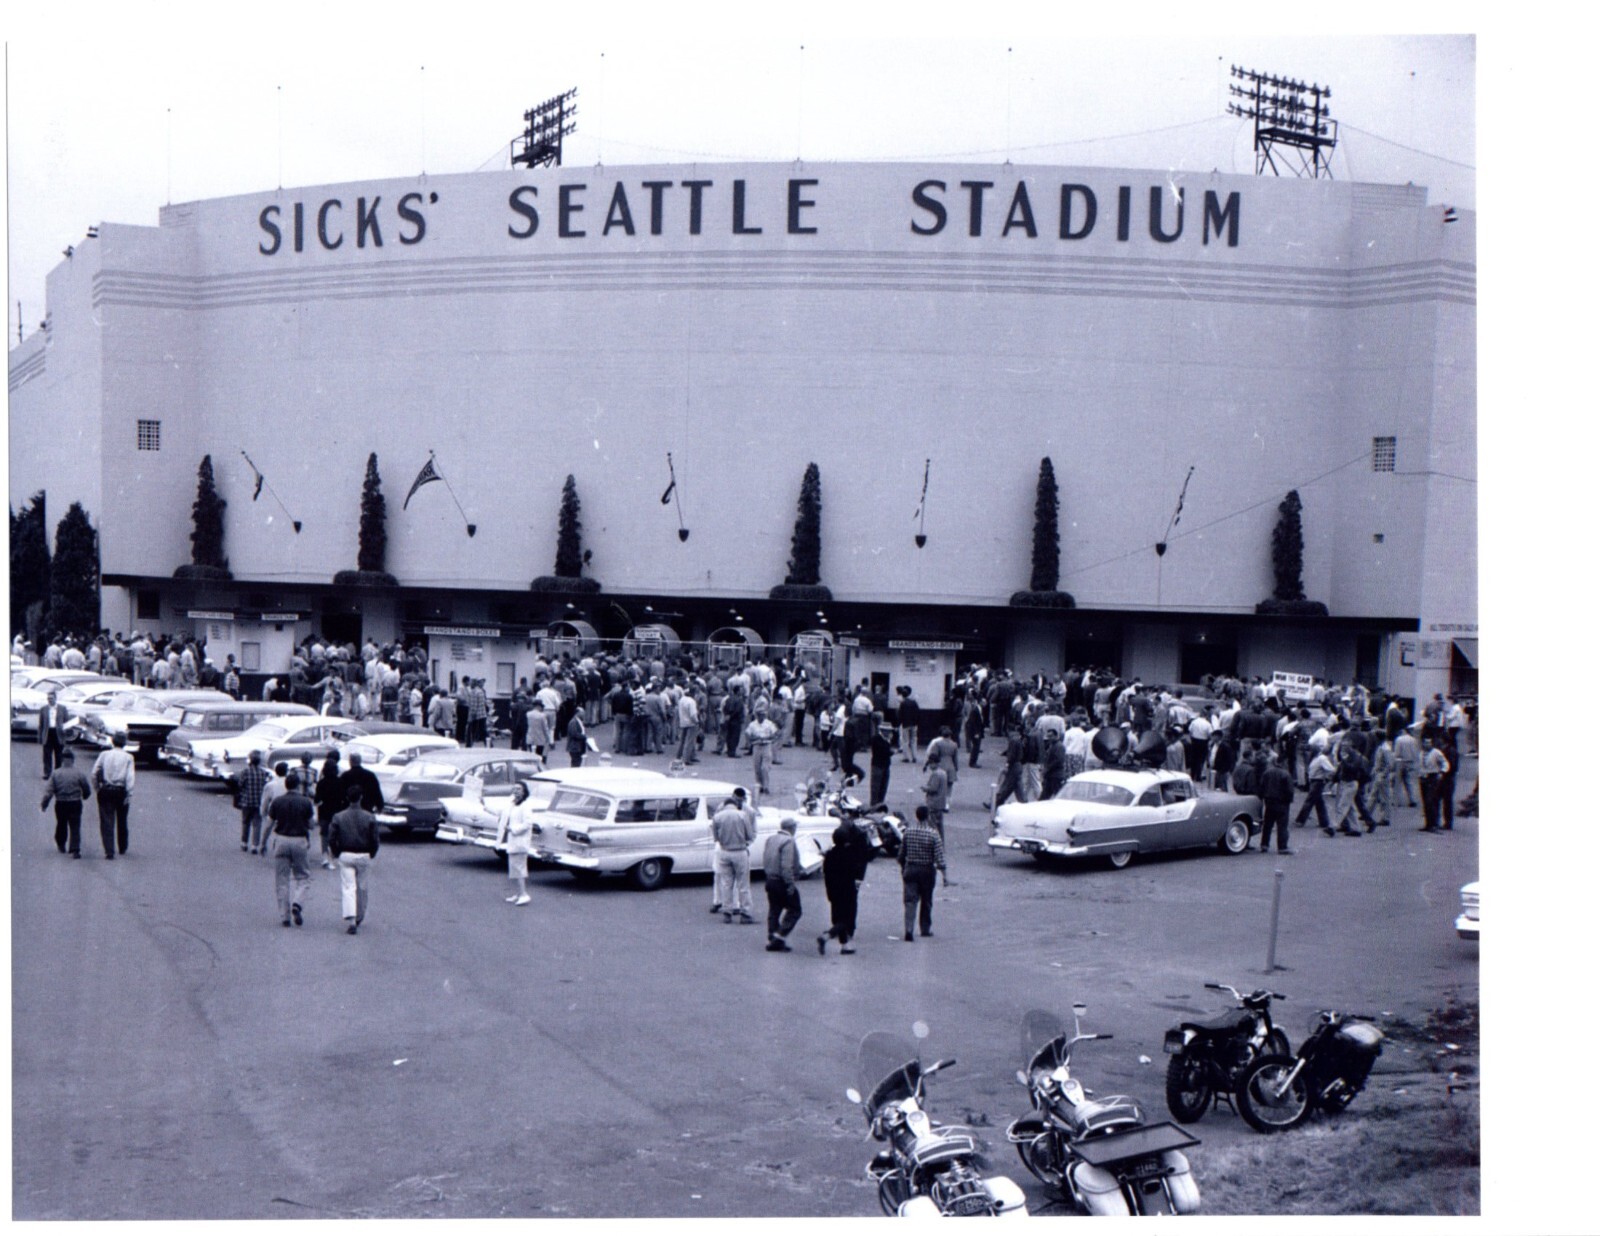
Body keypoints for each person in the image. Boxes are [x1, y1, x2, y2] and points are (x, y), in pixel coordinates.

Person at [262, 772, 315, 926]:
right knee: (303, 877)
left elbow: (269, 824)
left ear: (286, 785)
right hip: (299, 840)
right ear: (298, 785)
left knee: (282, 879)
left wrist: (262, 843)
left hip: (281, 840)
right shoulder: (305, 802)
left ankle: (284, 916)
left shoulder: (277, 802)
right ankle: (297, 904)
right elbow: (311, 824)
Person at [328, 783, 381, 934]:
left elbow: (332, 838)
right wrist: (372, 852)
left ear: (347, 798)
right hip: (364, 854)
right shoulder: (369, 817)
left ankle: (351, 919)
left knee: (348, 887)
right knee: (362, 887)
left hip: (345, 853)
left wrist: (336, 852)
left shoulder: (338, 816)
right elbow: (375, 839)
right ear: (361, 798)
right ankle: (360, 915)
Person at [818, 819, 875, 955]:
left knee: (837, 917)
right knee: (847, 919)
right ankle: (827, 936)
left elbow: (826, 873)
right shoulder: (849, 855)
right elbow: (859, 866)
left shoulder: (830, 856)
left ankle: (846, 945)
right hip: (847, 890)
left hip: (833, 891)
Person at [899, 805, 948, 941]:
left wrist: (904, 868)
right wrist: (945, 876)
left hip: (911, 869)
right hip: (927, 871)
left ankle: (909, 929)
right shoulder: (933, 834)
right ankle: (925, 928)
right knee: (926, 900)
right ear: (927, 817)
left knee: (910, 901)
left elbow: (901, 854)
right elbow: (940, 857)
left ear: (916, 816)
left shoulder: (908, 832)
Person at [710, 789, 758, 924]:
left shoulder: (718, 816)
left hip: (724, 851)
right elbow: (750, 834)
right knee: (743, 884)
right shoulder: (743, 815)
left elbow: (715, 837)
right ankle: (745, 913)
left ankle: (727, 912)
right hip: (740, 850)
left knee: (726, 883)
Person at [41, 748, 95, 857]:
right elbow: (86, 788)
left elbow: (48, 792)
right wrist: (85, 795)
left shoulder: (56, 773)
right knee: (75, 825)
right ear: (72, 760)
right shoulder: (79, 773)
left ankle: (61, 843)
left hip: (61, 803)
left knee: (61, 823)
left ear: (62, 760)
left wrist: (44, 804)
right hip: (75, 802)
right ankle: (75, 848)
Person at [90, 732, 137, 857]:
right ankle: (122, 847)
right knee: (122, 819)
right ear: (124, 743)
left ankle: (109, 850)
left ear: (112, 741)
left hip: (106, 789)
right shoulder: (129, 757)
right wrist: (129, 793)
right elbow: (130, 777)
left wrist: (97, 788)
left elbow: (94, 773)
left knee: (106, 821)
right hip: (121, 790)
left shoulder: (104, 754)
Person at [762, 816, 803, 952]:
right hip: (781, 881)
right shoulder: (788, 841)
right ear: (791, 828)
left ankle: (772, 936)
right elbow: (786, 865)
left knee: (775, 909)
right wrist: (790, 884)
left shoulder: (771, 839)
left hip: (770, 879)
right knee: (795, 909)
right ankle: (779, 937)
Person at [495, 783, 535, 906]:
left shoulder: (525, 807)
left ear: (524, 792)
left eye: (519, 789)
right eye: (514, 789)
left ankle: (523, 894)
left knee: (519, 869)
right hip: (513, 842)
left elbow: (527, 824)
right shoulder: (511, 804)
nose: (516, 791)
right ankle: (519, 893)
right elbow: (501, 814)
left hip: (520, 842)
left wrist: (512, 828)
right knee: (514, 869)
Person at [1257, 750, 1296, 854]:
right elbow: (1289, 790)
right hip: (1282, 802)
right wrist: (1289, 800)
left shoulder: (1267, 772)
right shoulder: (1286, 774)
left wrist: (1262, 797)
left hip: (1269, 801)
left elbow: (1262, 786)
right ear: (1283, 762)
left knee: (1267, 824)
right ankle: (1282, 846)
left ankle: (1264, 844)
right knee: (1282, 825)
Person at [1294, 744, 1335, 834]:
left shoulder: (1321, 758)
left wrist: (1327, 778)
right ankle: (1323, 821)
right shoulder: (1315, 758)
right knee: (1319, 802)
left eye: (1309, 751)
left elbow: (1331, 770)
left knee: (1309, 801)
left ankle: (1300, 820)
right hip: (1314, 781)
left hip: (1318, 781)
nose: (1307, 753)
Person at [236, 750, 272, 854]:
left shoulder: (245, 772)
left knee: (245, 822)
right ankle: (255, 845)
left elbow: (240, 784)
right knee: (257, 824)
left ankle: (244, 843)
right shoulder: (263, 772)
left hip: (247, 801)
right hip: (258, 801)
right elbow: (265, 785)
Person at [314, 751, 343, 868]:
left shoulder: (321, 783)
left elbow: (317, 799)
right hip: (337, 810)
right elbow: (343, 797)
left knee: (324, 834)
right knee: (336, 834)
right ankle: (334, 856)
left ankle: (325, 856)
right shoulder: (340, 782)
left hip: (324, 811)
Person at [745, 702, 779, 798]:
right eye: (759, 715)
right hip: (756, 747)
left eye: (763, 715)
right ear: (756, 715)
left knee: (765, 768)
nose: (761, 717)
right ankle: (758, 785)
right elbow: (747, 734)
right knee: (757, 767)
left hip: (766, 746)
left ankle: (766, 786)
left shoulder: (769, 724)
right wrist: (752, 740)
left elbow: (775, 734)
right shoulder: (752, 725)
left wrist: (769, 738)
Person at [1419, 737, 1453, 833]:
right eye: (1425, 743)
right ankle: (1428, 823)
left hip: (1432, 777)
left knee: (1431, 800)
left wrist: (1441, 772)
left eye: (1429, 743)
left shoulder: (1436, 753)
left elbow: (1445, 763)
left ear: (1432, 744)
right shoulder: (1421, 753)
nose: (1427, 745)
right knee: (1425, 801)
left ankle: (1433, 824)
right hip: (1423, 777)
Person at [38, 690, 71, 778]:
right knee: (47, 755)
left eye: (51, 698)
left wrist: (66, 733)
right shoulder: (43, 709)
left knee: (59, 755)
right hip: (48, 733)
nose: (50, 700)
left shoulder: (62, 708)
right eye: (48, 698)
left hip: (58, 734)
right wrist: (40, 737)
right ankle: (47, 773)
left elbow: (67, 722)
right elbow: (41, 724)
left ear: (56, 698)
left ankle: (58, 773)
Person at [920, 756, 950, 843]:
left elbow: (933, 788)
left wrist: (925, 788)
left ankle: (933, 843)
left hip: (933, 802)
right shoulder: (943, 773)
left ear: (934, 763)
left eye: (930, 764)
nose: (929, 766)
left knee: (932, 825)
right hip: (941, 802)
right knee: (940, 825)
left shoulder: (935, 774)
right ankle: (941, 843)